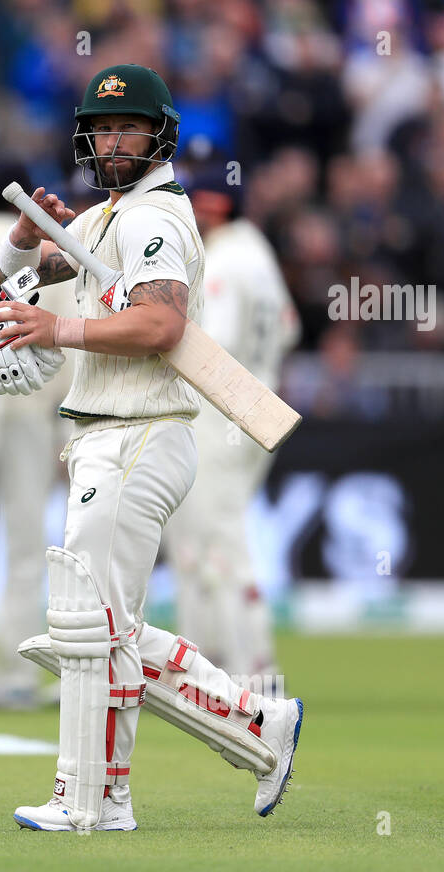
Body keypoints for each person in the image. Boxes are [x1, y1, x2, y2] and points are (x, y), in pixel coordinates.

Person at [0, 64, 305, 830]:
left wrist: (58, 329)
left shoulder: (154, 217)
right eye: (101, 128)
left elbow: (162, 327)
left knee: (89, 627)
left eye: (127, 127)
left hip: (140, 433)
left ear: (160, 134)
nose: (112, 140)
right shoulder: (105, 218)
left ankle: (90, 798)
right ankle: (258, 727)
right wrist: (21, 241)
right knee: (106, 628)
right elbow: (7, 288)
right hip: (102, 433)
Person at [160, 158, 300, 693]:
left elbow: (201, 344)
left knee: (217, 542)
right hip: (256, 411)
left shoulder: (222, 265)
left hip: (220, 415)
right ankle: (211, 661)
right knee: (198, 542)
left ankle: (255, 670)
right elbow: (287, 329)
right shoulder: (259, 254)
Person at [0, 160, 74, 708]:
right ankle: (18, 672)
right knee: (27, 546)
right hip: (30, 412)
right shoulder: (47, 247)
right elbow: (58, 341)